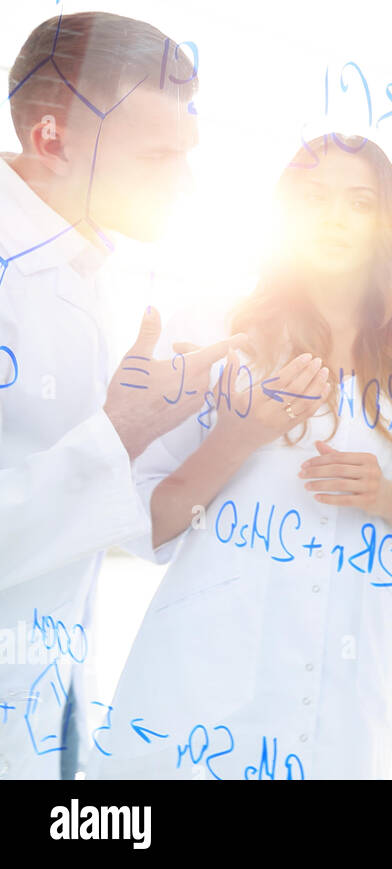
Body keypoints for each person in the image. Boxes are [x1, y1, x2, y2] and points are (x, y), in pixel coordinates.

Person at [87, 134, 392, 779]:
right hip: (200, 692)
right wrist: (238, 437)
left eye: (360, 201)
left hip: (345, 690)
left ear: (387, 222)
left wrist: (386, 497)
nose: (334, 217)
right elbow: (141, 524)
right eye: (314, 198)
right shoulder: (214, 329)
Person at [0, 11, 238, 780]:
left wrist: (225, 423)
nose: (187, 182)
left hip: (51, 692)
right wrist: (121, 432)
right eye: (160, 155)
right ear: (52, 136)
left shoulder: (86, 266)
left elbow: (98, 504)